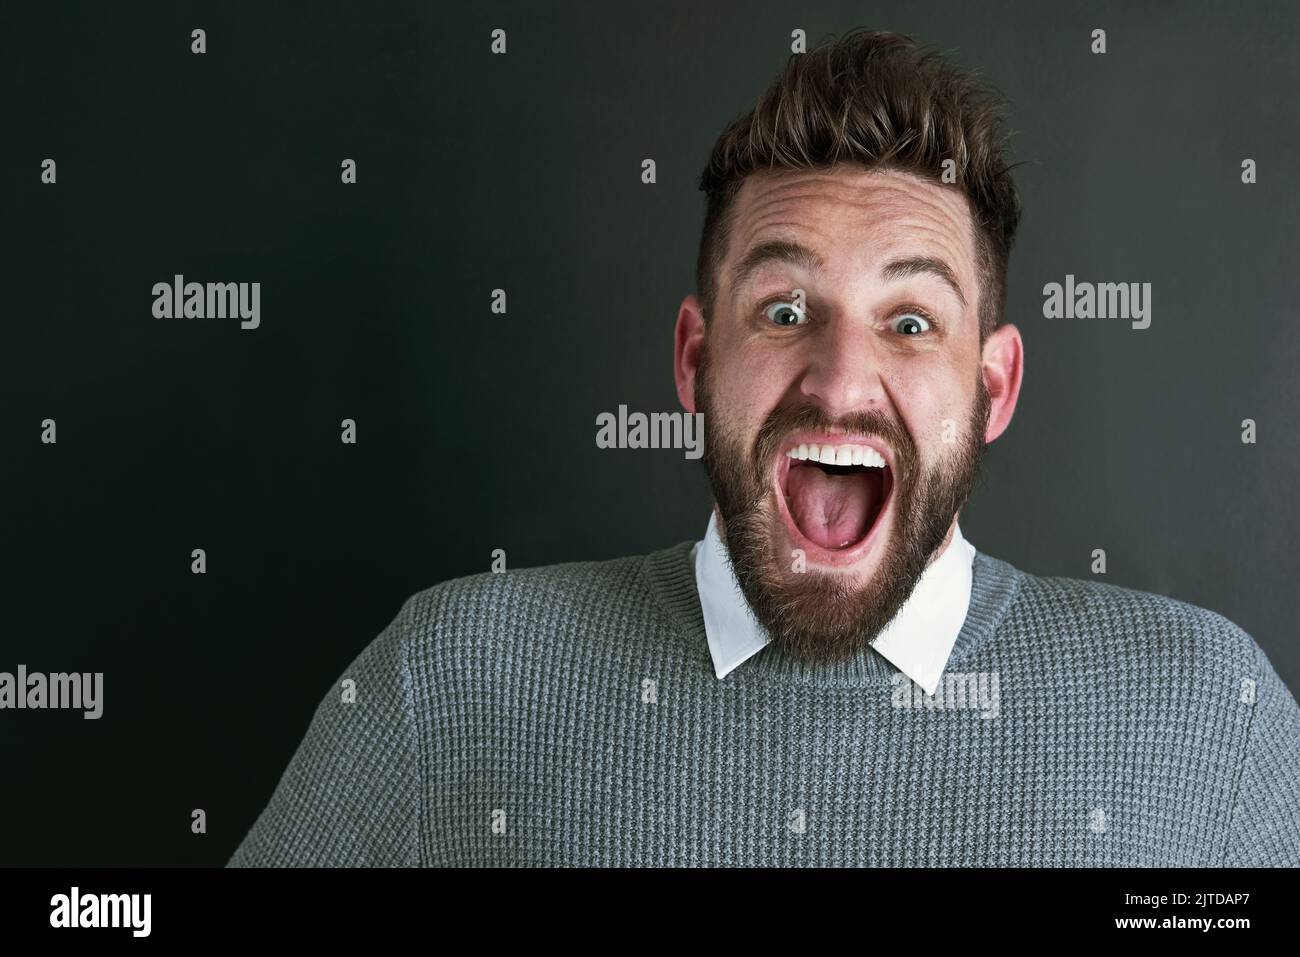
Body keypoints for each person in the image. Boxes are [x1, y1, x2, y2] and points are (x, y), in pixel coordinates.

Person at [229, 29, 1299, 867]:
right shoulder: (453, 684)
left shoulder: (1204, 723)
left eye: (911, 322)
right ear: (694, 358)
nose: (838, 379)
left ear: (992, 386)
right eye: (784, 310)